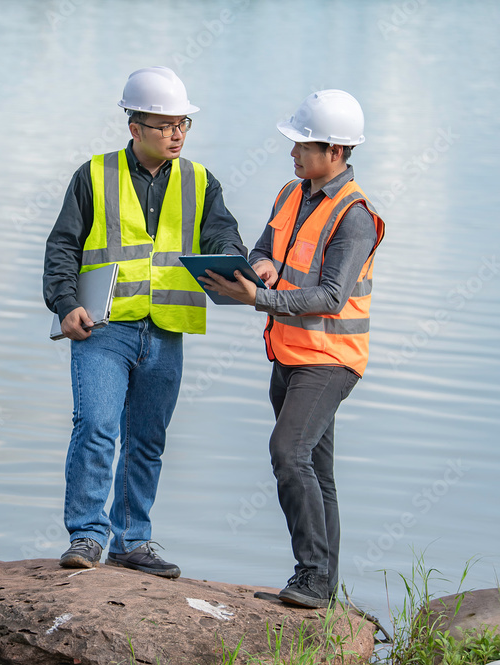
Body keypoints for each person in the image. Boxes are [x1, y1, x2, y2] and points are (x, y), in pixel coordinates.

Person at [43, 66, 247, 577]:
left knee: (148, 439)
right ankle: (88, 535)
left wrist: (235, 262)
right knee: (95, 426)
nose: (176, 134)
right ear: (135, 128)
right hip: (103, 328)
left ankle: (132, 540)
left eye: (183, 124)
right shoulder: (93, 174)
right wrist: (65, 304)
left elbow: (223, 237)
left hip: (165, 332)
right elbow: (63, 246)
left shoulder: (202, 181)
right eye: (164, 125)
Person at [199, 90, 386, 607]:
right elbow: (263, 248)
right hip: (288, 353)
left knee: (288, 452)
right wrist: (258, 267)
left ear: (337, 151)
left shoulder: (355, 216)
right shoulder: (291, 192)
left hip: (328, 361)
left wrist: (258, 296)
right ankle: (322, 585)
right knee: (315, 469)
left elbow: (331, 295)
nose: (293, 153)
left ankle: (310, 575)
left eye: (304, 145)